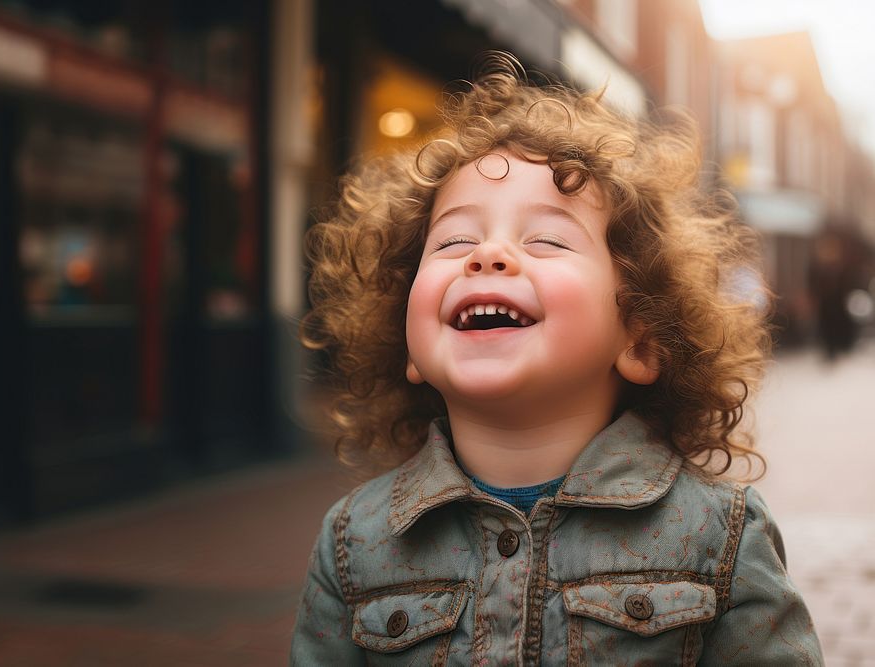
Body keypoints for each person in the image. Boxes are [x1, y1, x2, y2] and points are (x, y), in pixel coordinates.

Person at [291, 54, 822, 665]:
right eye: (454, 241)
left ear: (641, 340)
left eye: (545, 240)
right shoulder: (353, 544)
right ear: (408, 344)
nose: (487, 255)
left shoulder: (720, 535)